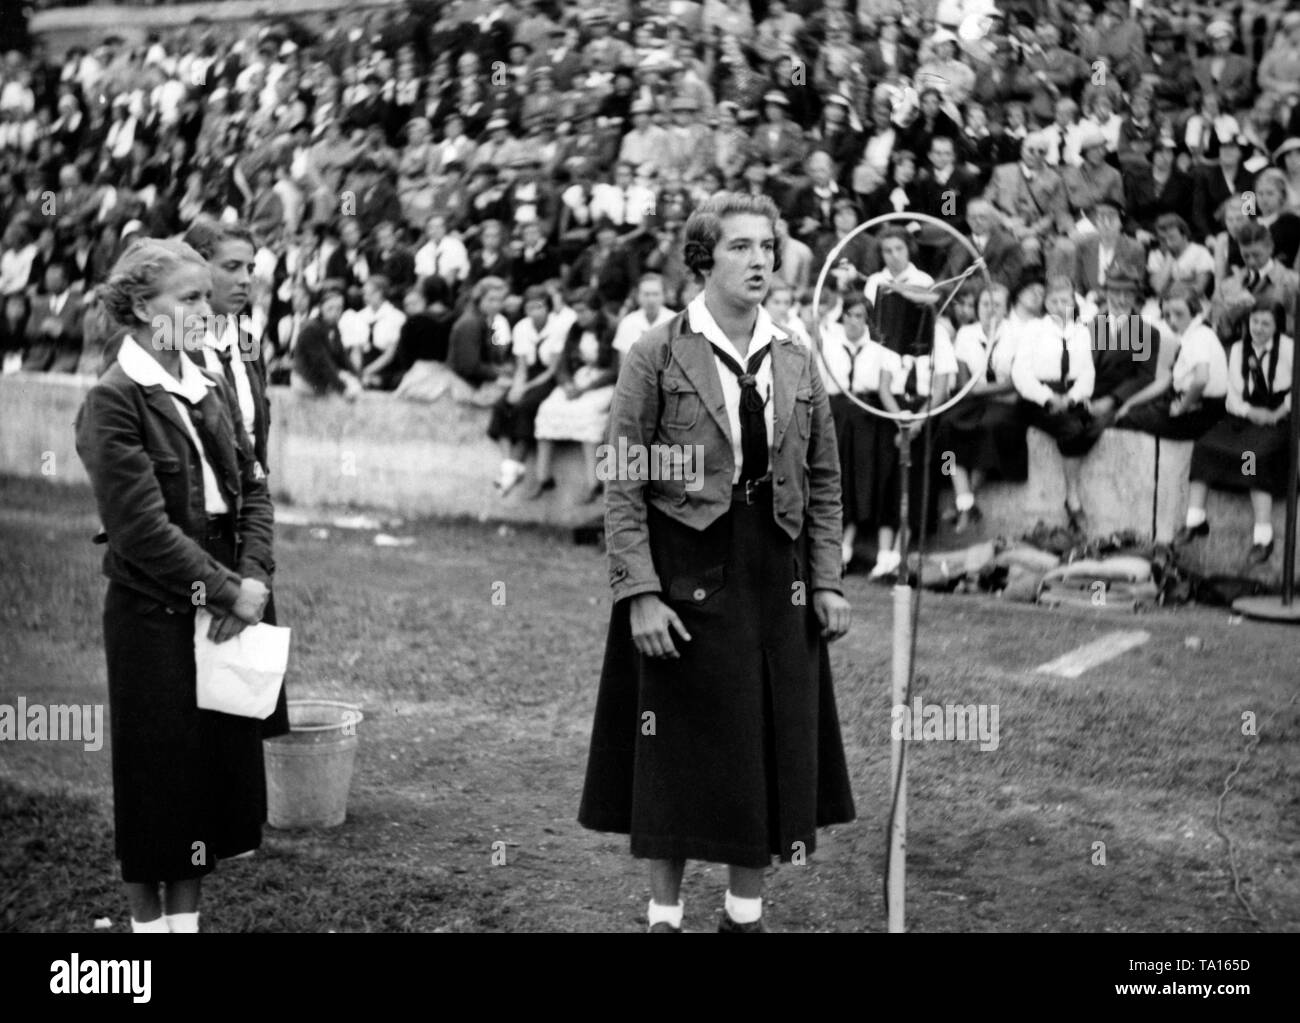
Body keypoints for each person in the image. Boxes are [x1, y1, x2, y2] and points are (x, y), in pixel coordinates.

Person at [579, 191, 854, 934]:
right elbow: (624, 474)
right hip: (684, 564)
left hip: (777, 568)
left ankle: (744, 911)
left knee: (761, 736)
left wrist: (825, 579)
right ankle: (663, 914)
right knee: (671, 741)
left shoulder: (795, 356)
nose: (759, 259)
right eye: (739, 246)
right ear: (703, 257)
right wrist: (638, 591)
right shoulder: (658, 352)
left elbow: (823, 478)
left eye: (767, 245)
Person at [73, 237, 276, 933]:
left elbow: (252, 488)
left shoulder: (207, 382)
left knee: (203, 780)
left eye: (203, 296)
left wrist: (250, 579)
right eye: (188, 298)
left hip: (220, 598)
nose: (205, 308)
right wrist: (224, 589)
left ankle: (182, 929)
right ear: (139, 307)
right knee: (155, 776)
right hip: (154, 609)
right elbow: (140, 529)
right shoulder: (114, 400)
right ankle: (146, 932)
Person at [1178, 300, 1293, 564]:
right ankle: (1195, 519)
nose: (1259, 328)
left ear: (1277, 326)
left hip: (1279, 418)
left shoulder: (1289, 350)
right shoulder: (1240, 350)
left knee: (1252, 456)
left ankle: (1263, 537)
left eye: (1266, 324)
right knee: (1206, 446)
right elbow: (1233, 395)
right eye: (1255, 322)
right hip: (1247, 415)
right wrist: (1249, 412)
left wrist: (1276, 413)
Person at [1011, 275, 1096, 533]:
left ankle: (1073, 500)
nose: (1060, 306)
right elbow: (1020, 373)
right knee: (1071, 429)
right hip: (1038, 397)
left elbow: (1087, 372)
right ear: (1046, 304)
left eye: (1066, 301)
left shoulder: (1081, 331)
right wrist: (1048, 397)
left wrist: (1071, 398)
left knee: (1091, 425)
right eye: (1054, 301)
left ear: (1073, 302)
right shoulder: (1034, 330)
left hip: (1070, 394)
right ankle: (1072, 499)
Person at [941, 282, 1025, 533]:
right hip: (973, 401)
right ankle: (964, 501)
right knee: (947, 429)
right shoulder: (966, 334)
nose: (990, 310)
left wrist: (983, 390)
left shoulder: (1017, 334)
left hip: (1004, 404)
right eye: (985, 304)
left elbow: (1016, 382)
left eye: (997, 305)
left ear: (1007, 308)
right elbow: (966, 382)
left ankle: (962, 504)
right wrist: (980, 390)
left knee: (989, 430)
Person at [528, 289, 619, 503]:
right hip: (579, 379)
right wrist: (567, 383)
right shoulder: (575, 329)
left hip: (603, 382)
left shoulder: (613, 328)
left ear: (597, 311)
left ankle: (593, 482)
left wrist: (586, 389)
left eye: (584, 312)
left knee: (587, 413)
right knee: (548, 408)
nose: (580, 317)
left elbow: (616, 370)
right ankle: (543, 476)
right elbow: (562, 365)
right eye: (577, 312)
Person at [1115, 286, 1227, 441]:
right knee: (1131, 411)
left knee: (1127, 421)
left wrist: (1182, 407)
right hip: (1189, 402)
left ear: (1194, 310)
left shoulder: (1200, 336)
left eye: (1179, 314)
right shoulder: (1187, 337)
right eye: (1167, 315)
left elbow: (1202, 379)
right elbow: (1165, 381)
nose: (1172, 320)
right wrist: (1130, 403)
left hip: (1202, 411)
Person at [488, 284, 571, 494]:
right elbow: (522, 367)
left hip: (547, 377)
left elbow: (552, 369)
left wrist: (526, 388)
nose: (534, 312)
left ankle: (513, 465)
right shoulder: (522, 328)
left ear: (548, 308)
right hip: (527, 376)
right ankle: (509, 467)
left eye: (539, 307)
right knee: (503, 405)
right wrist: (517, 387)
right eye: (530, 308)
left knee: (526, 406)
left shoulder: (558, 327)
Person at [292, 286, 363, 398]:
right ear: (321, 308)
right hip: (304, 379)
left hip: (321, 375)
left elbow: (342, 356)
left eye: (339, 309)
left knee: (353, 385)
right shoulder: (311, 329)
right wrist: (342, 388)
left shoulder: (333, 327)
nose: (335, 313)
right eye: (330, 308)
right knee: (345, 393)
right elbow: (322, 362)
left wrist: (358, 376)